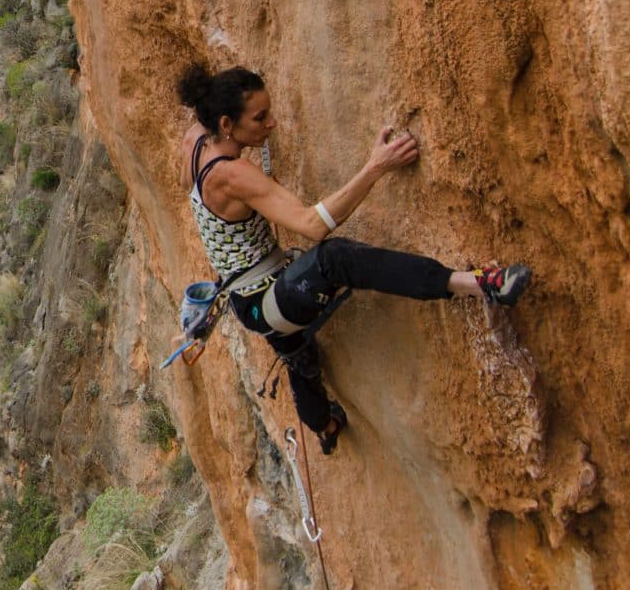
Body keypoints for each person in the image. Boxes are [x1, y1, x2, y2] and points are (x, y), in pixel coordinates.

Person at [176, 63, 530, 454]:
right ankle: (473, 283)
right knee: (333, 259)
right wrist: (376, 166)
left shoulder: (196, 143)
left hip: (256, 296)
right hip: (264, 300)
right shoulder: (233, 175)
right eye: (260, 118)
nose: (271, 124)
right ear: (226, 123)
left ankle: (325, 427)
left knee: (298, 353)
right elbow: (312, 226)